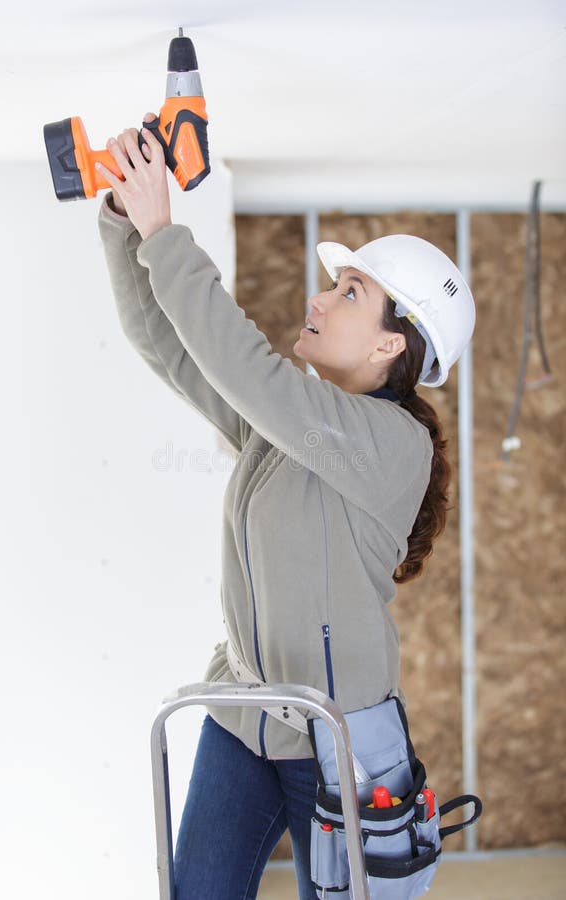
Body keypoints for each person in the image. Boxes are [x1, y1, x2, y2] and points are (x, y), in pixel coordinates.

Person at [96, 114, 476, 900]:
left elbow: (247, 370)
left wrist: (168, 232)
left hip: (340, 744)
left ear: (388, 347)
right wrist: (127, 224)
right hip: (242, 714)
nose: (320, 295)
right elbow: (165, 342)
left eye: (350, 292)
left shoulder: (391, 443)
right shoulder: (286, 425)